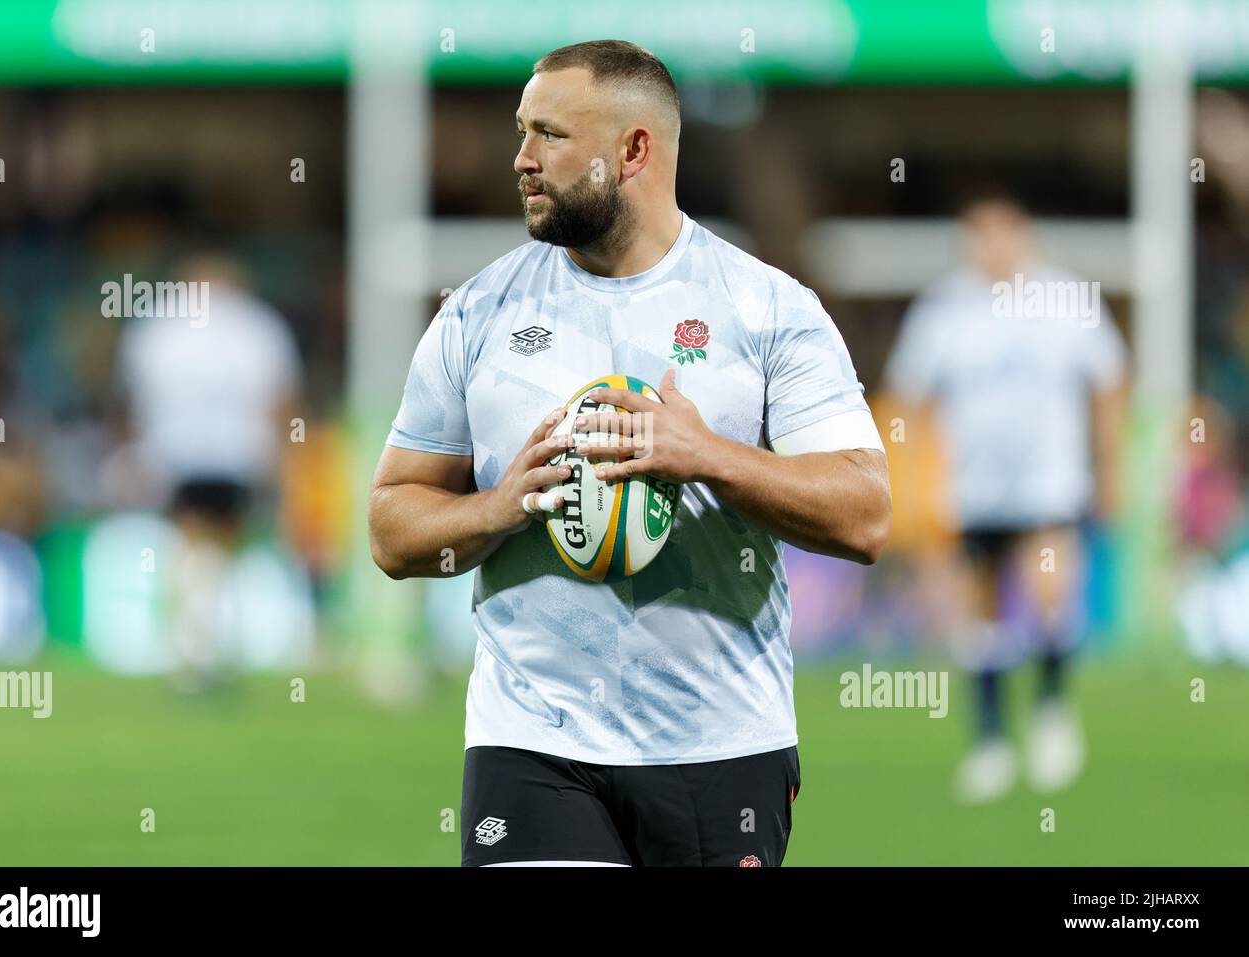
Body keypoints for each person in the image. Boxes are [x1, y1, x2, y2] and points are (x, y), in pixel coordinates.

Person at [368, 40, 891, 866]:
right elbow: (392, 528)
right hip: (531, 743)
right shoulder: (477, 315)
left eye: (550, 135)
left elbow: (865, 515)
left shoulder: (766, 310)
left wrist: (708, 456)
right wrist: (497, 508)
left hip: (719, 744)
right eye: (521, 131)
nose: (522, 159)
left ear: (634, 150)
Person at [884, 191, 1127, 803]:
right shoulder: (945, 309)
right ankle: (991, 740)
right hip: (975, 490)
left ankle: (1050, 712)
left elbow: (1108, 382)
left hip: (1051, 482)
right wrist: (909, 484)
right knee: (982, 617)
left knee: (1051, 597)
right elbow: (908, 397)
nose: (991, 247)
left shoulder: (1065, 299)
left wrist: (1109, 466)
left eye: (1002, 233)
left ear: (1024, 235)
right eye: (979, 235)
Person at [117, 256, 302, 689]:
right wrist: (283, 459)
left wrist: (137, 453)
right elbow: (279, 399)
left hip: (174, 454)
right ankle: (205, 646)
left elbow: (132, 396)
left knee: (189, 544)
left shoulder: (158, 323)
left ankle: (192, 646)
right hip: (235, 455)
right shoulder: (255, 325)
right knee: (220, 544)